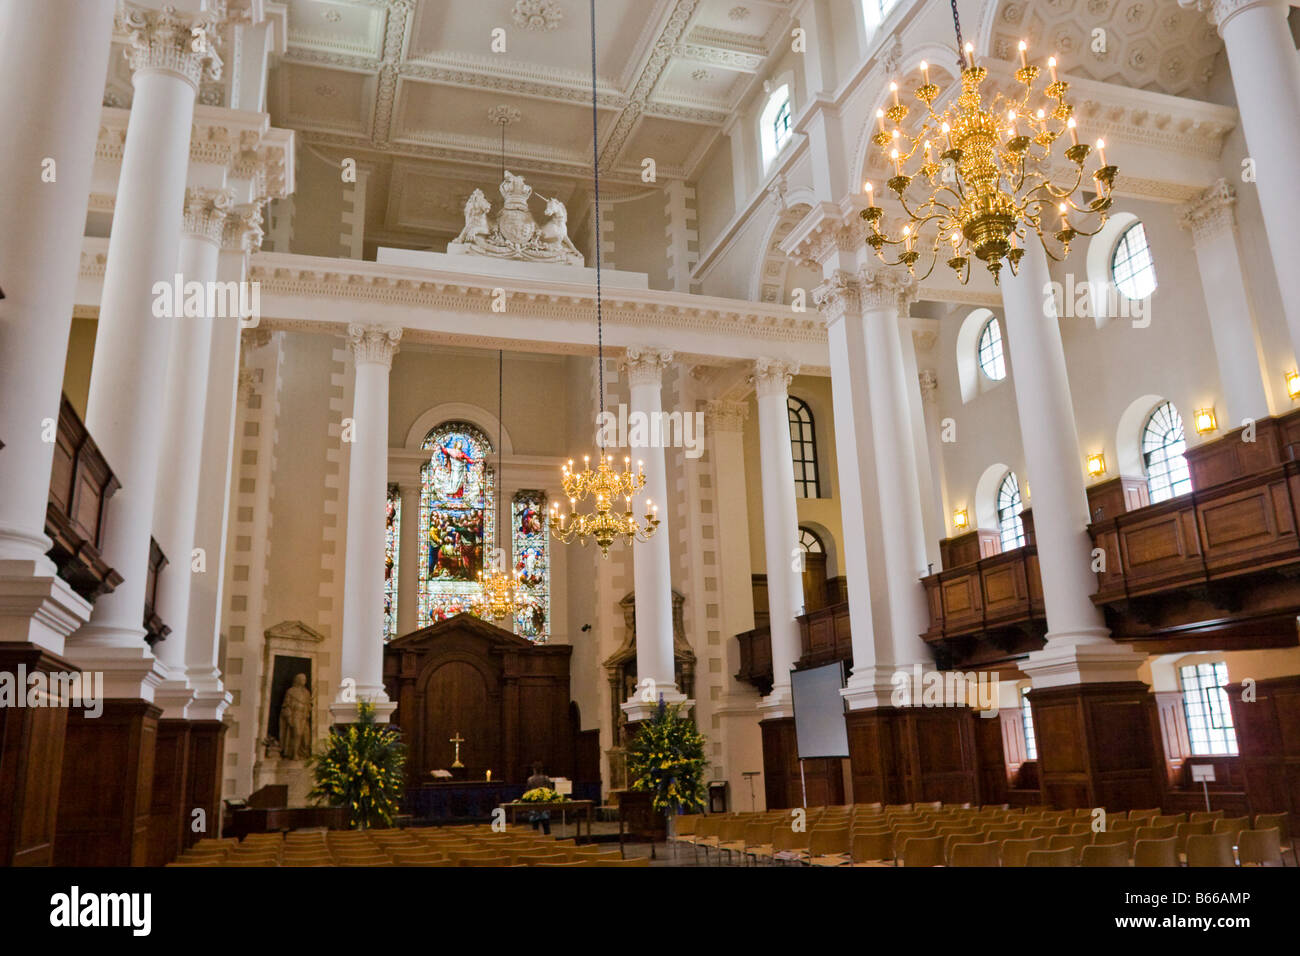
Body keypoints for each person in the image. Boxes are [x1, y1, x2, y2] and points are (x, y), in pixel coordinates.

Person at [526, 762, 553, 835]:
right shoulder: (546, 779)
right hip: (544, 806)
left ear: (534, 770)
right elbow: (551, 791)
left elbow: (527, 793)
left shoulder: (530, 780)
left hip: (534, 807)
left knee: (535, 828)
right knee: (546, 827)